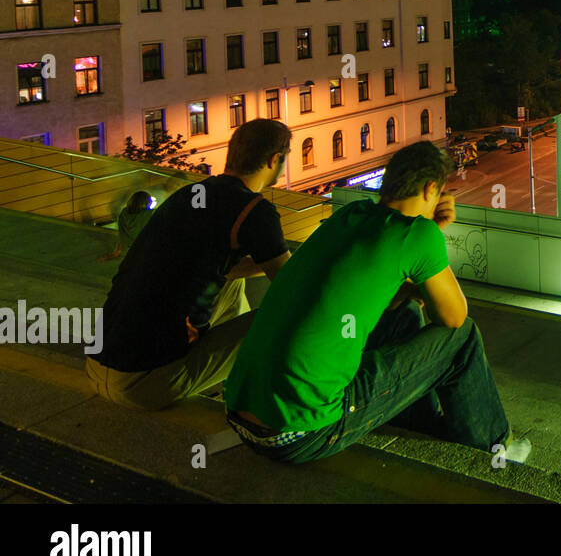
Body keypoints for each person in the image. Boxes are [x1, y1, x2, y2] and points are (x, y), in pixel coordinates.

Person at [223, 141, 530, 465]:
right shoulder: (418, 235)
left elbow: (374, 276)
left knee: (403, 313)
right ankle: (499, 449)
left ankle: (416, 422)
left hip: (242, 414)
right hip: (298, 433)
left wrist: (417, 265)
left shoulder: (351, 215)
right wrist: (430, 233)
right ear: (430, 189)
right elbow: (454, 319)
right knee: (463, 339)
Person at [86, 119, 293, 410]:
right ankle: (258, 403)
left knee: (232, 283)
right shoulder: (254, 210)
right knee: (284, 317)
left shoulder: (189, 196)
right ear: (275, 160)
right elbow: (294, 287)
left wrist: (261, 264)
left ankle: (223, 379)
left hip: (98, 365)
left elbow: (220, 267)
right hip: (144, 382)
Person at [96, 190, 155, 262]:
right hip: (143, 245)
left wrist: (116, 252)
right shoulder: (148, 214)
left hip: (128, 243)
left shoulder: (124, 212)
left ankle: (117, 253)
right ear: (146, 203)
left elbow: (121, 232)